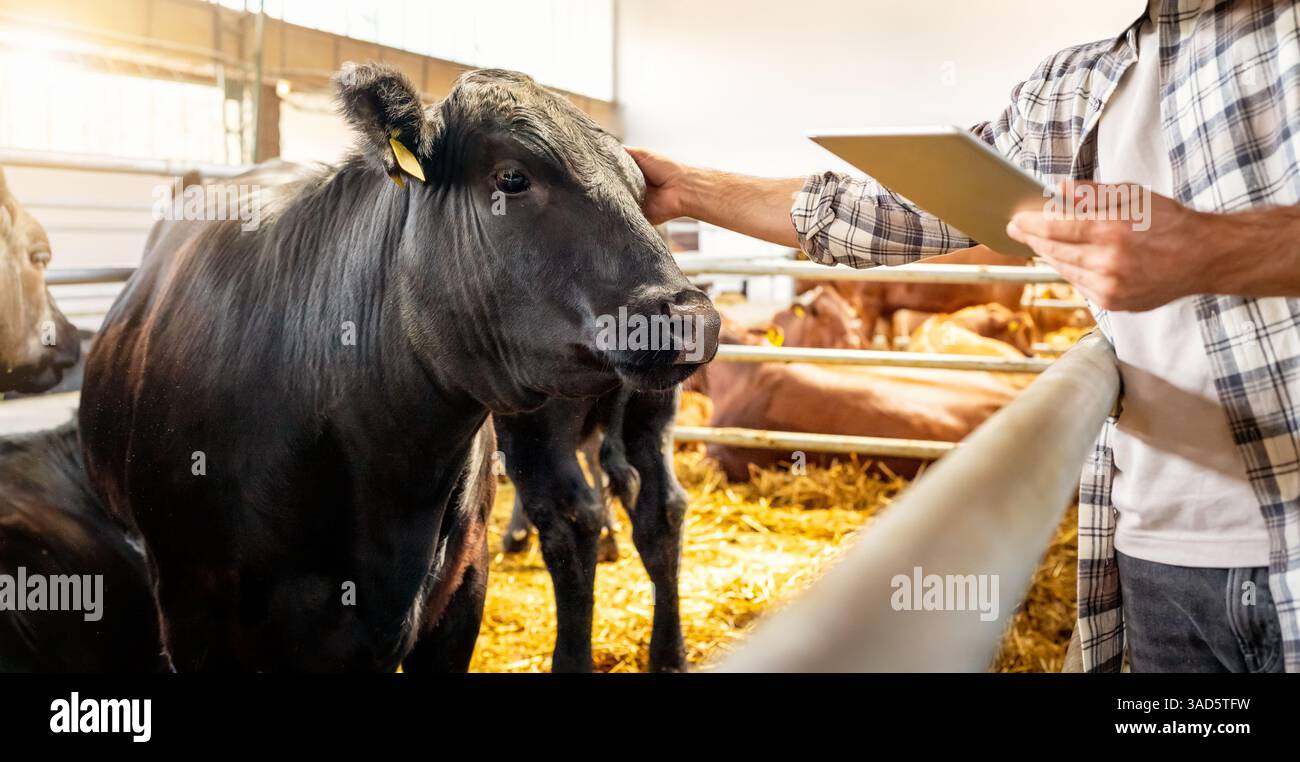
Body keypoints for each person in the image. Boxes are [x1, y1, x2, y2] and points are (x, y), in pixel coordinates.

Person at [629, 0, 1300, 673]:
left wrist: (1210, 248)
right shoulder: (1071, 86)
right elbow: (885, 213)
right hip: (1156, 544)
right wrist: (688, 188)